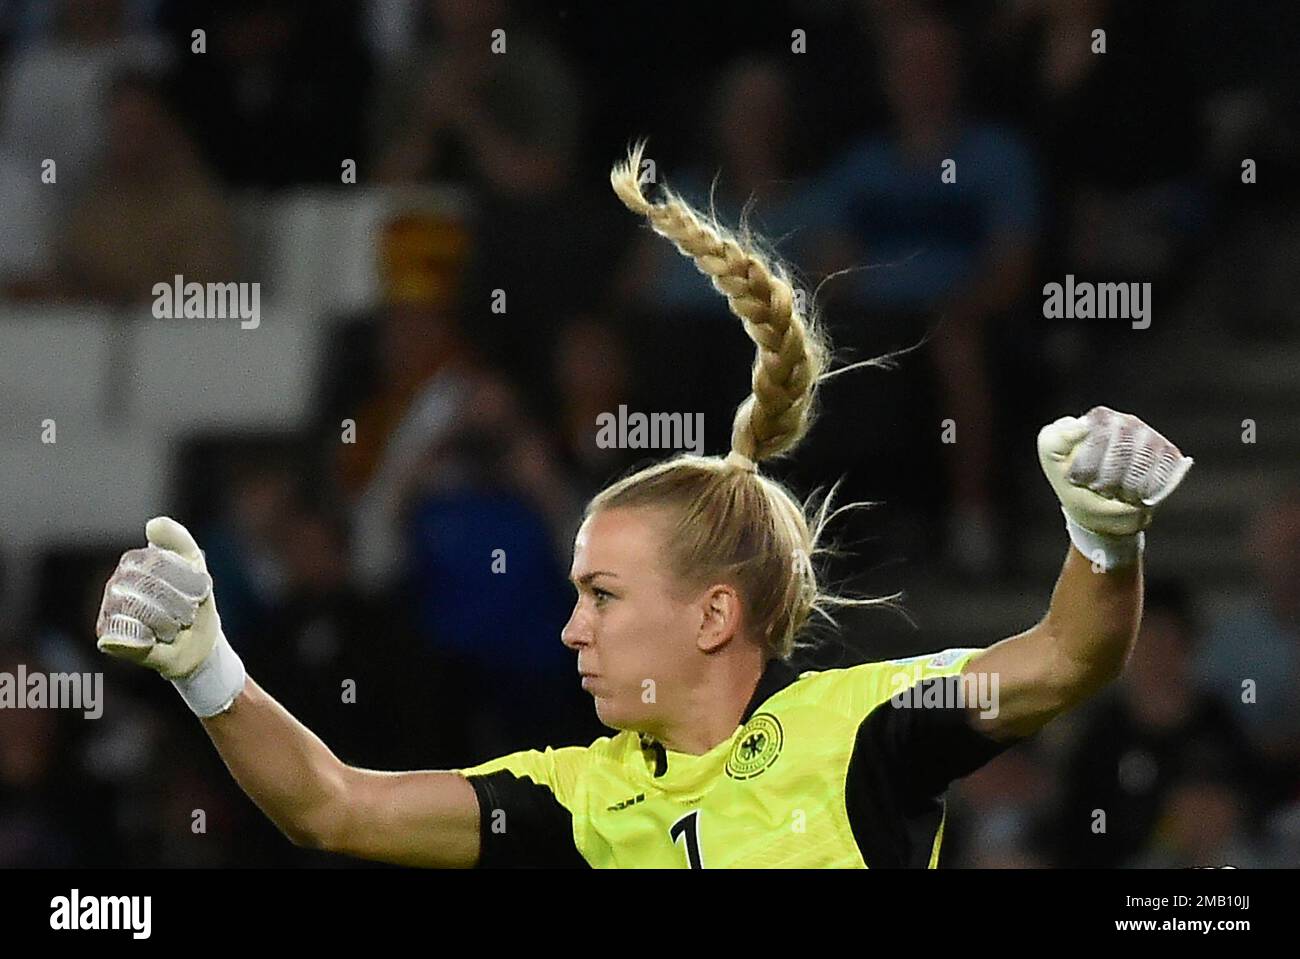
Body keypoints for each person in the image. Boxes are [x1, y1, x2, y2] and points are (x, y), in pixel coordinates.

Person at [91, 144, 1193, 868]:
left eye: (603, 595)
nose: (573, 626)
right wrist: (204, 666)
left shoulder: (860, 725)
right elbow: (332, 805)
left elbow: (1065, 657)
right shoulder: (573, 794)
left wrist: (1103, 531)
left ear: (713, 614)